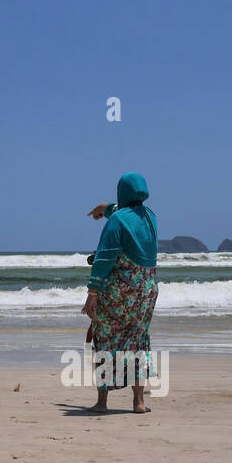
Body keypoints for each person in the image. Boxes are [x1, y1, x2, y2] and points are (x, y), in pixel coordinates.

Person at [81, 172, 158, 414]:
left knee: (105, 339)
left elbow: (103, 259)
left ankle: (102, 403)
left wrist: (92, 293)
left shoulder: (117, 222)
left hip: (117, 295)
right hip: (145, 293)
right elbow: (121, 210)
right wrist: (103, 208)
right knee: (138, 342)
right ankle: (139, 402)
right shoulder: (150, 217)